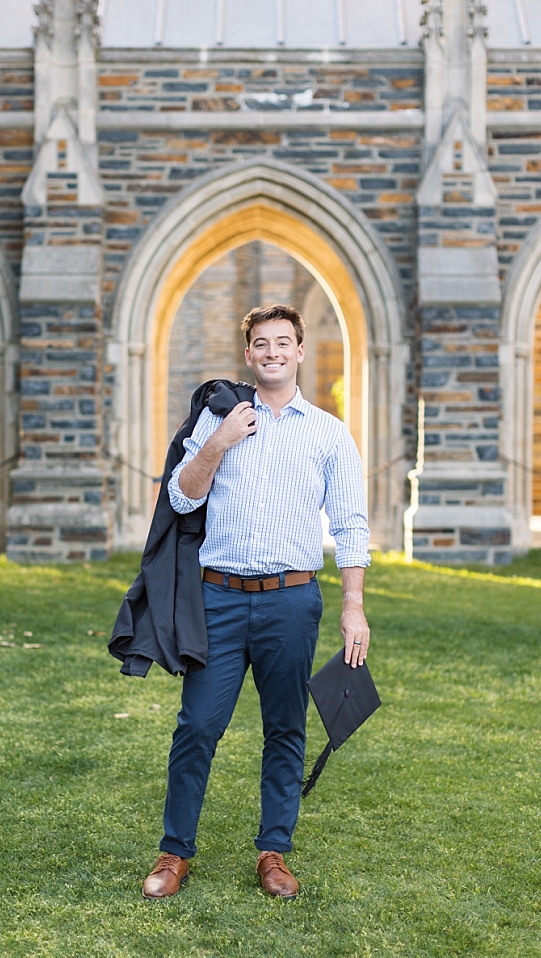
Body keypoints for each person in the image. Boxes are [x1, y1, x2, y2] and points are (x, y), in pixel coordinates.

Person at [141, 304, 371, 900]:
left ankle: (274, 852)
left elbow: (350, 523)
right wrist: (216, 442)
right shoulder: (217, 421)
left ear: (299, 352)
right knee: (197, 725)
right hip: (217, 597)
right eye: (260, 344)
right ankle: (174, 852)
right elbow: (183, 500)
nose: (271, 352)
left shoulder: (328, 432)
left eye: (282, 343)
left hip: (291, 602)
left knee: (285, 728)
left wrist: (354, 606)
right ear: (249, 355)